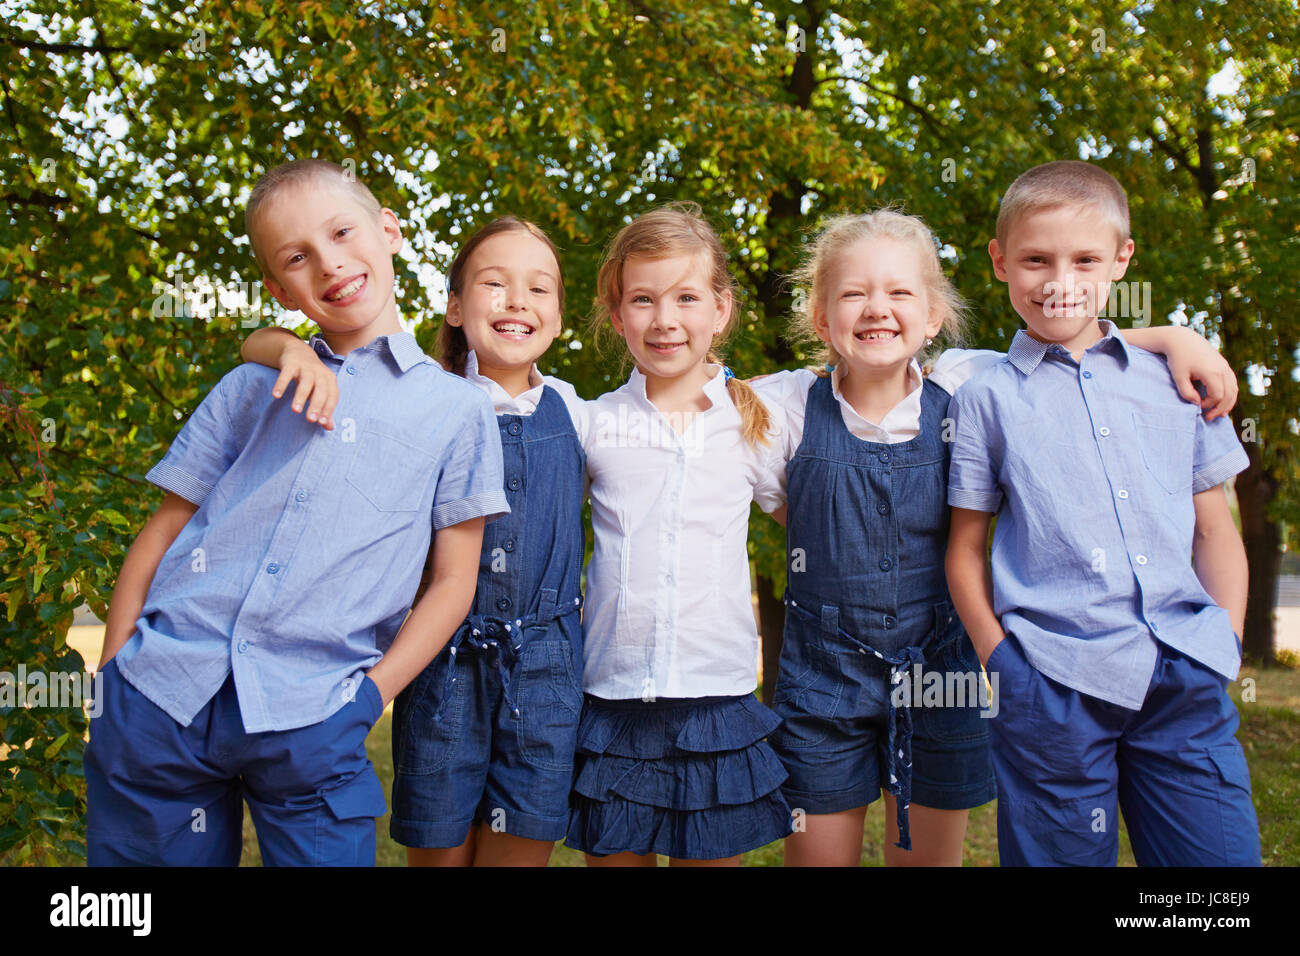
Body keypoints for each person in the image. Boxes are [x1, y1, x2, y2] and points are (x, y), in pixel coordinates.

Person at [753, 207, 1238, 866]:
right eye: (852, 294)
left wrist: (1174, 336)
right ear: (820, 316)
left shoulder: (972, 382)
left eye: (900, 292)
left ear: (933, 316)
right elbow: (694, 402)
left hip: (942, 671)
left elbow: (1075, 339)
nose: (876, 308)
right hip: (824, 681)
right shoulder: (778, 408)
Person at [84, 159, 506, 866]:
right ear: (279, 289)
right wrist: (116, 669)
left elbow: (454, 582)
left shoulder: (458, 410)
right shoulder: (252, 386)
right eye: (298, 259)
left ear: (389, 230)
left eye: (343, 233)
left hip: (314, 714)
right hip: (162, 693)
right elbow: (163, 531)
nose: (330, 264)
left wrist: (366, 704)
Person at [242, 216, 588, 866]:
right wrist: (287, 349)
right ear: (456, 306)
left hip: (546, 670)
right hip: (443, 665)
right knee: (438, 847)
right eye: (495, 283)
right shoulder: (420, 400)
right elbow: (260, 340)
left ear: (559, 318)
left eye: (540, 289)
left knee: (521, 846)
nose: (518, 301)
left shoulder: (581, 412)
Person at [946, 160, 1260, 866]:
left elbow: (1216, 529)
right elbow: (965, 547)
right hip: (1052, 682)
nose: (1060, 281)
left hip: (1185, 675)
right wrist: (1005, 665)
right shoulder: (984, 395)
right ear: (999, 263)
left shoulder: (1177, 381)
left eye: (1085, 259)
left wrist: (1225, 644)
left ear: (1121, 261)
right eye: (1035, 259)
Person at [567, 204, 793, 866]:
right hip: (613, 697)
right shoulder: (593, 423)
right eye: (643, 300)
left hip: (716, 699)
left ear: (720, 309)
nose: (665, 320)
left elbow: (817, 522)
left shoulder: (755, 423)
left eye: (687, 297)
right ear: (617, 316)